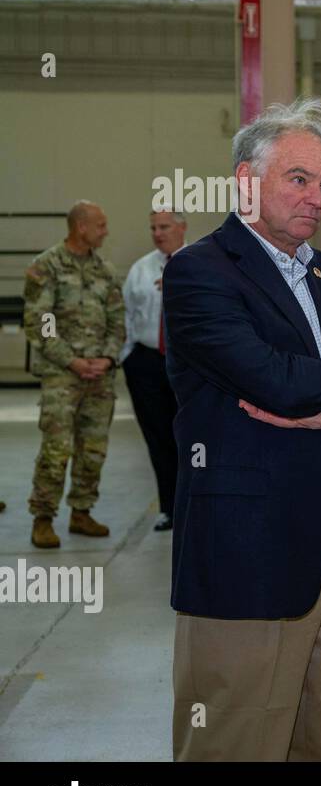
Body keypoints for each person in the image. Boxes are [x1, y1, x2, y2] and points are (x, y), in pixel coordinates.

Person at [165, 97, 321, 761]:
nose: (317, 199)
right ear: (247, 182)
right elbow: (271, 380)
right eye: (299, 179)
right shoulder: (200, 273)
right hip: (252, 536)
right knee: (238, 725)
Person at [23, 201, 124, 549]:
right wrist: (72, 361)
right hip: (61, 377)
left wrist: (107, 358)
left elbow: (117, 320)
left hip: (100, 376)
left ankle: (82, 511)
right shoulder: (46, 266)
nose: (105, 231)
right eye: (101, 225)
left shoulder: (105, 271)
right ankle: (43, 517)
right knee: (56, 447)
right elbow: (40, 321)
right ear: (81, 227)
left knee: (93, 447)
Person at [120, 207, 187, 531]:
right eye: (153, 228)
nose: (158, 233)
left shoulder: (200, 264)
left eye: (164, 226)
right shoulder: (140, 269)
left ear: (181, 227)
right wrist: (127, 356)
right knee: (157, 436)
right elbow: (127, 316)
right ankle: (169, 508)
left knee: (189, 436)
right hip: (146, 362)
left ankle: (192, 506)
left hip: (187, 364)